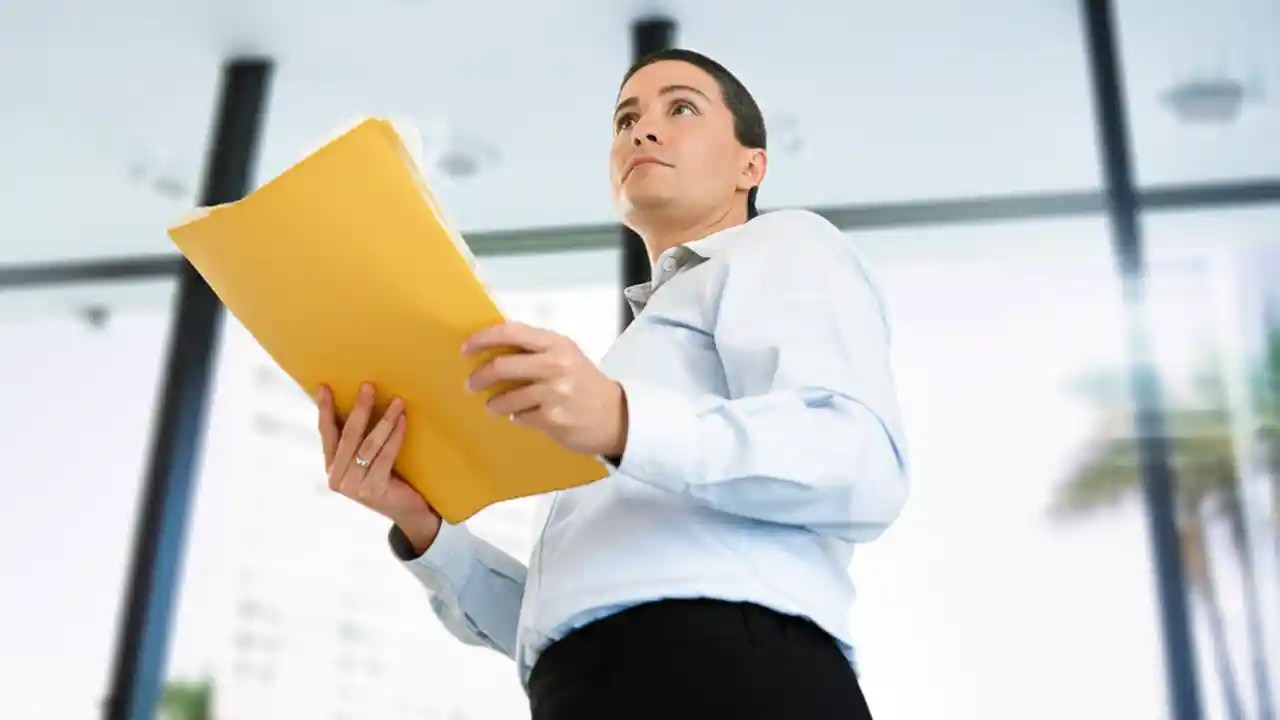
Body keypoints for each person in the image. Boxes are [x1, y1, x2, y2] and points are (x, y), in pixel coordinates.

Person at [314, 48, 908, 720]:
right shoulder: (628, 360)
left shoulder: (786, 246)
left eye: (680, 108)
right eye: (626, 119)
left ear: (753, 165)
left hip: (730, 677)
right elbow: (567, 619)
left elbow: (857, 462)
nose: (642, 131)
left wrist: (623, 422)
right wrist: (421, 523)